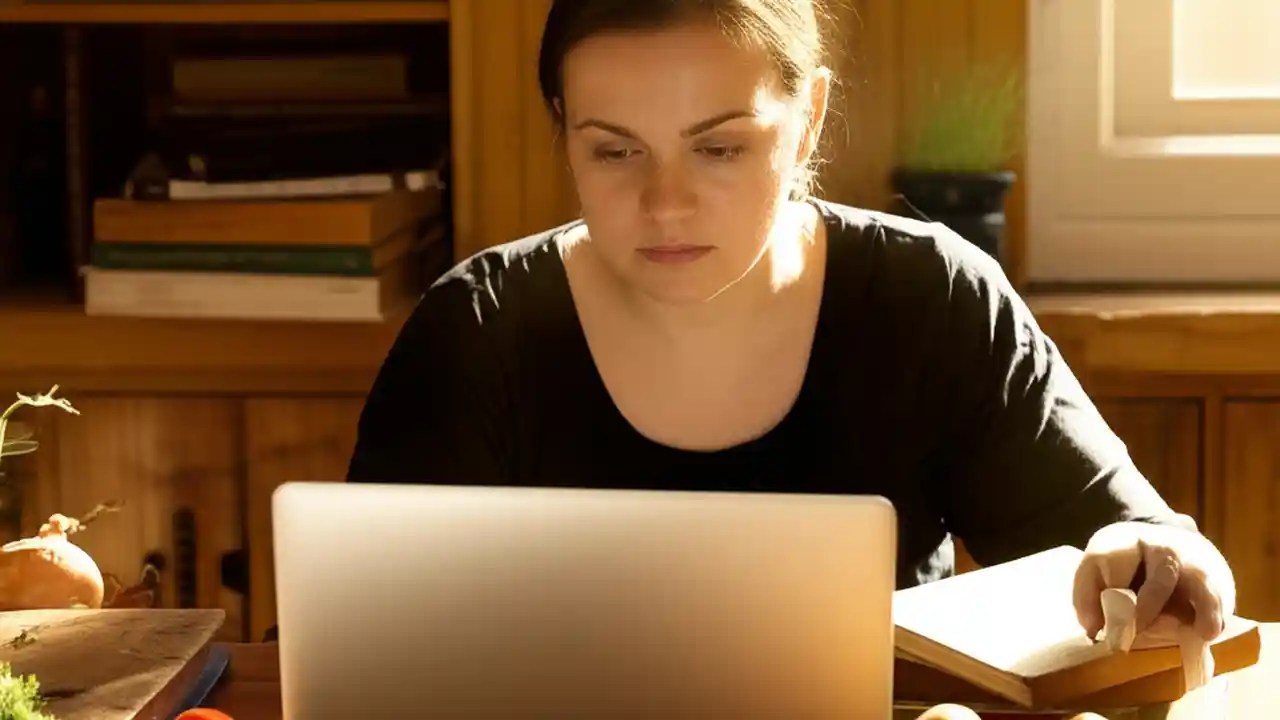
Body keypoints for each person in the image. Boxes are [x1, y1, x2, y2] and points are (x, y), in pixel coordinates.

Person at [348, 0, 1235, 689]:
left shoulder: (930, 298)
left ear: (809, 117)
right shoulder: (475, 331)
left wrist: (1167, 563)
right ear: (564, 127)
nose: (666, 204)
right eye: (616, 153)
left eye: (720, 149)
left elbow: (1135, 547)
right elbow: (362, 643)